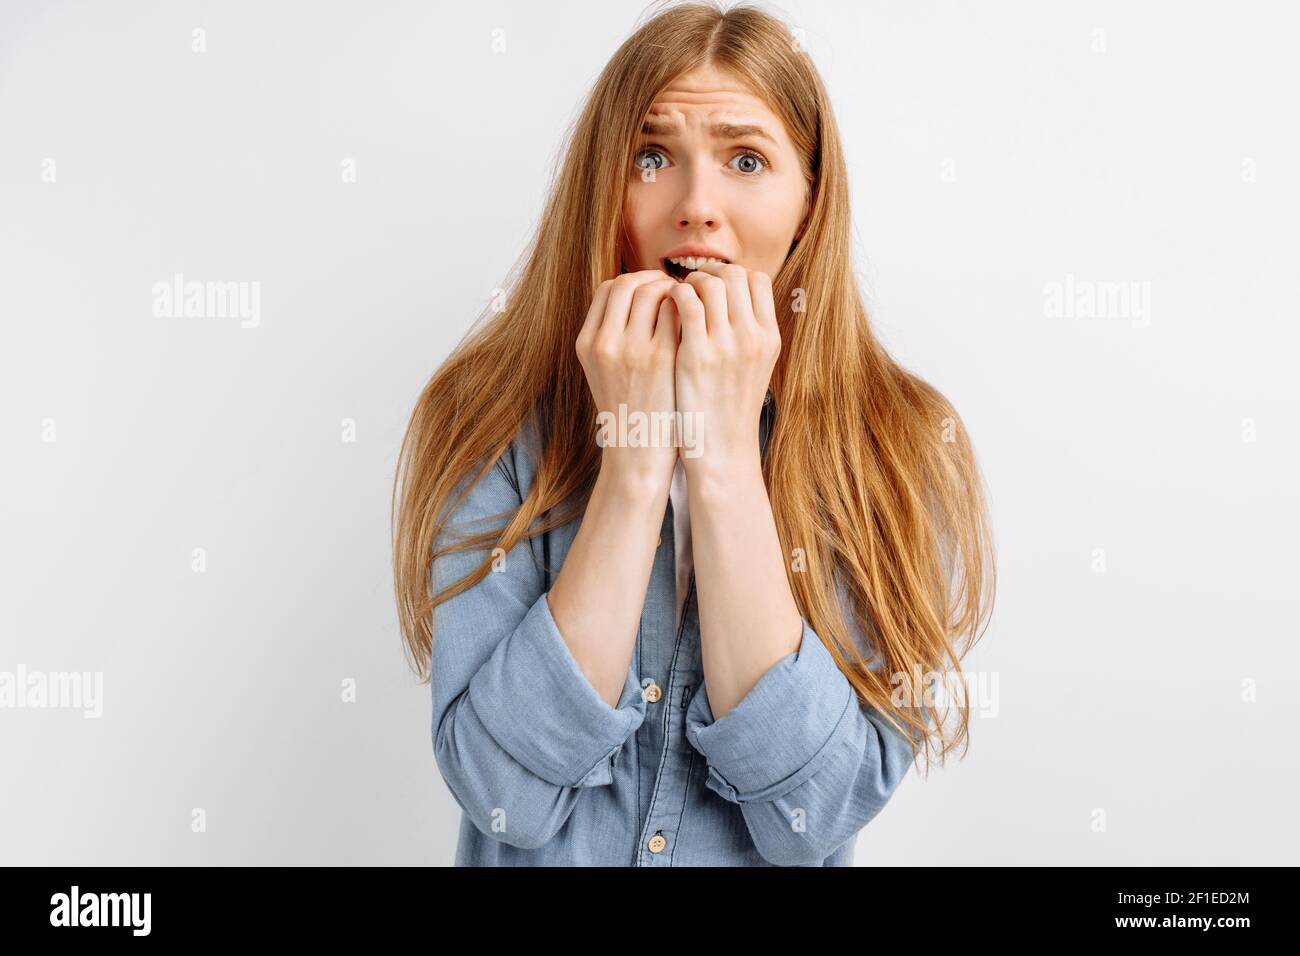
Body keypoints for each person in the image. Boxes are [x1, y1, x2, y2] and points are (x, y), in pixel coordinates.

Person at [392, 0, 995, 866]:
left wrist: (720, 460)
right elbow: (500, 796)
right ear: (606, 186)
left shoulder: (899, 446)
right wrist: (636, 463)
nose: (697, 207)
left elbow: (815, 816)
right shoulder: (488, 416)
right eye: (652, 157)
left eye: (746, 160)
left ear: (808, 202)